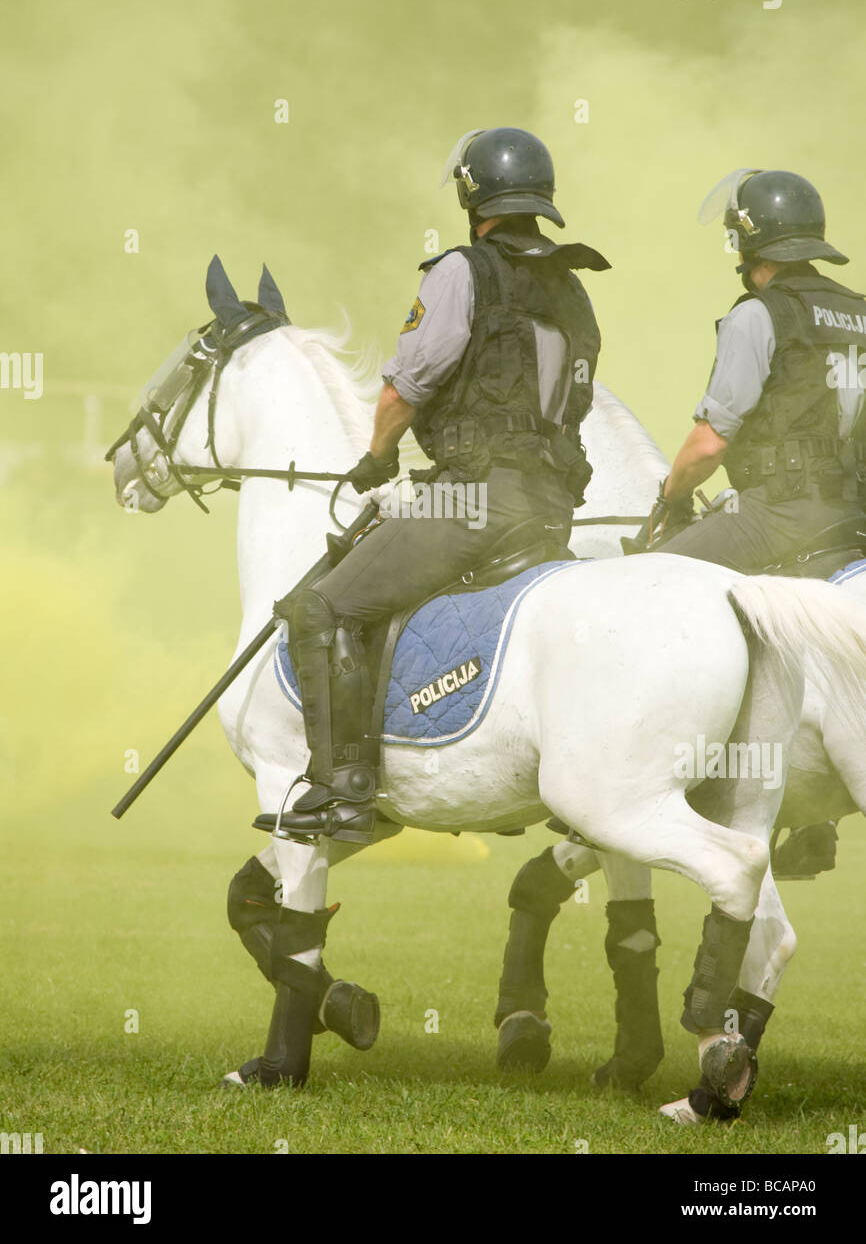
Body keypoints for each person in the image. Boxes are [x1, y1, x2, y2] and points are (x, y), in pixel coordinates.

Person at [272, 126, 609, 843]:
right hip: (550, 510)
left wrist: (377, 456)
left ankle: (343, 790)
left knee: (323, 608)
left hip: (472, 500)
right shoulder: (573, 289)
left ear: (470, 195)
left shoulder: (462, 270)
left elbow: (407, 387)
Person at [637, 167, 866, 877]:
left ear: (749, 240)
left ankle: (644, 776)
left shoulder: (758, 314)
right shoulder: (859, 312)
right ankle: (814, 818)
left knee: (641, 591)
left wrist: (671, 500)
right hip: (850, 523)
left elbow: (711, 440)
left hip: (776, 518)